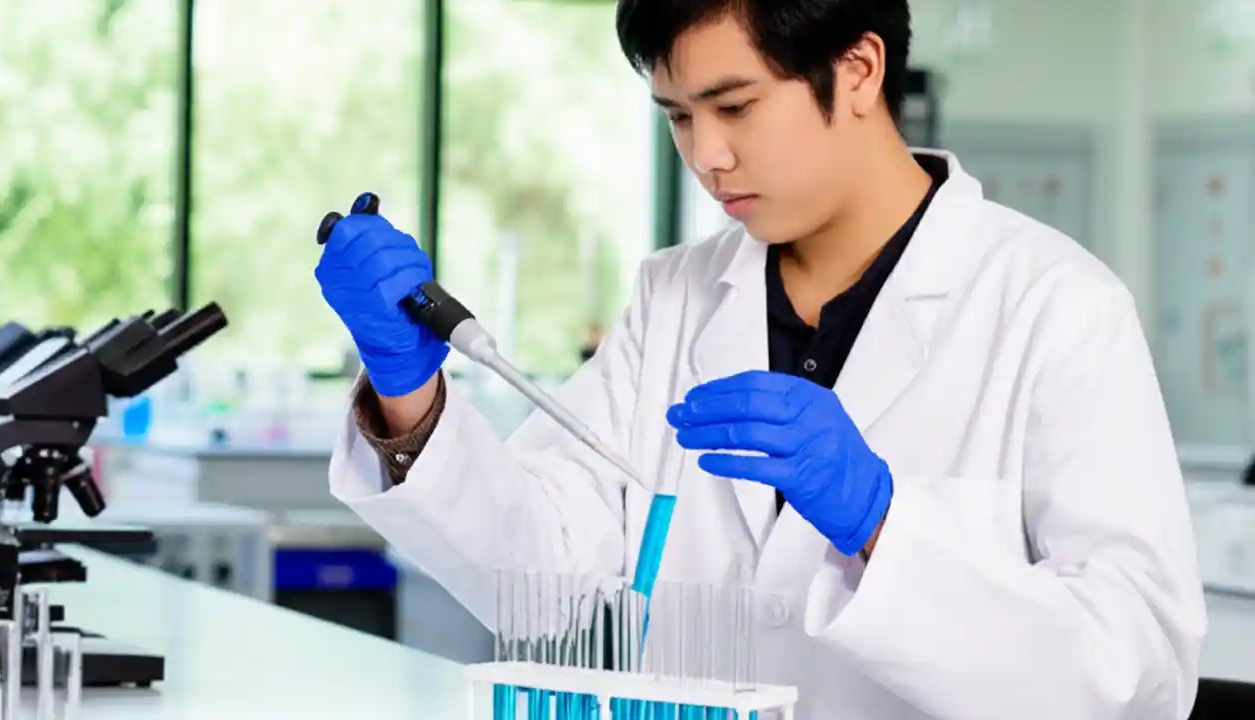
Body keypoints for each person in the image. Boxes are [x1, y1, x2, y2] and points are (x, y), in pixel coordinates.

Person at [315, 1, 1207, 717]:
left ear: (858, 71)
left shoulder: (1054, 307)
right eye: (678, 117)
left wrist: (883, 526)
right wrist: (409, 394)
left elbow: (1140, 677)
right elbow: (543, 578)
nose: (709, 156)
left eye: (735, 106)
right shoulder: (674, 297)